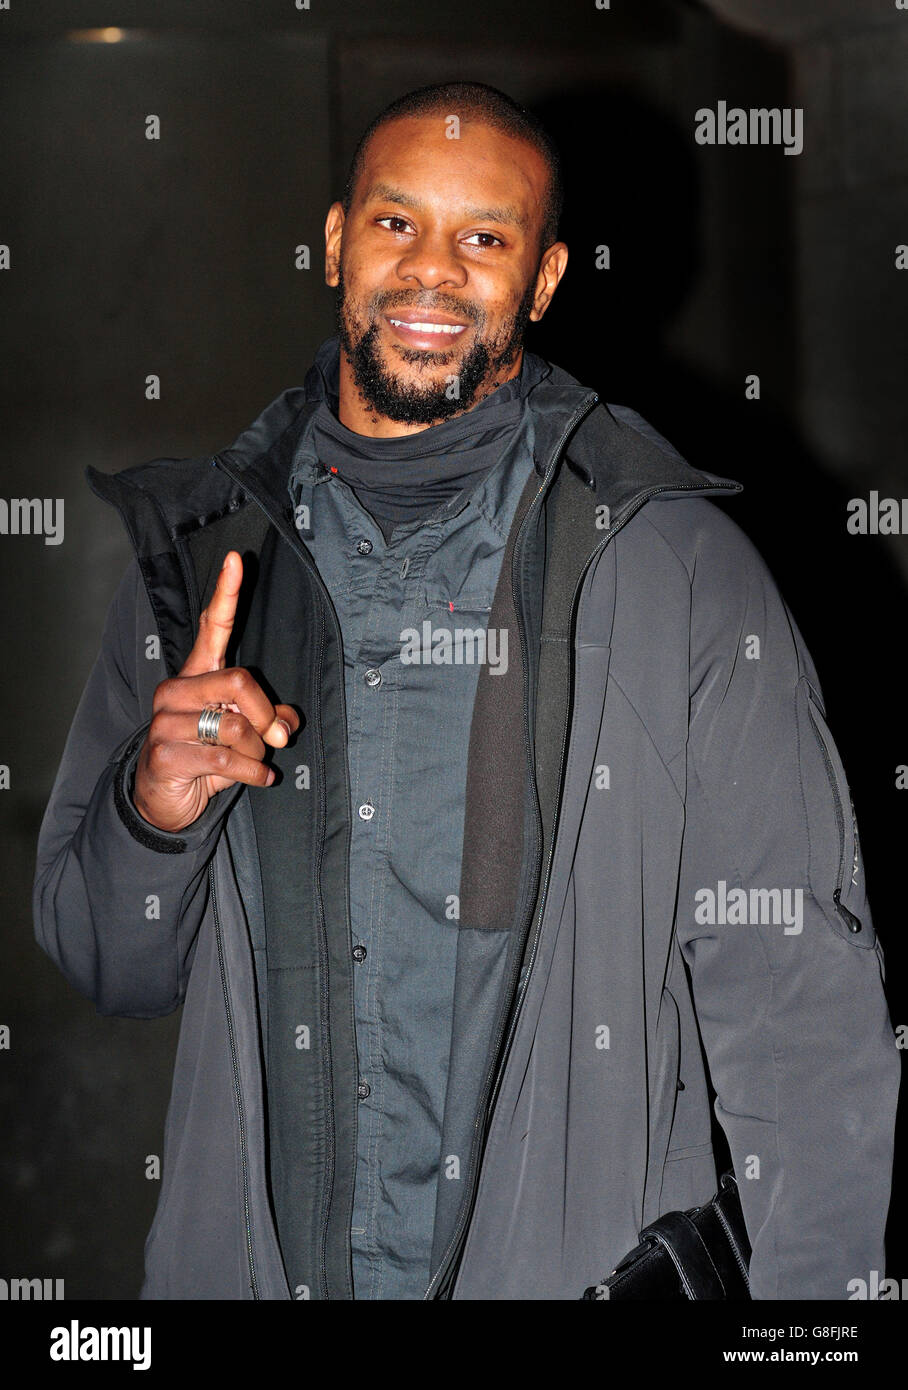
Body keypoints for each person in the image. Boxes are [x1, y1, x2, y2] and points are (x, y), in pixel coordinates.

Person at [33, 80, 899, 1301]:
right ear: (336, 241)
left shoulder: (673, 569)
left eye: (483, 238)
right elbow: (105, 959)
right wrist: (151, 813)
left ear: (541, 281)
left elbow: (798, 1011)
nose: (430, 271)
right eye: (397, 223)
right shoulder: (202, 558)